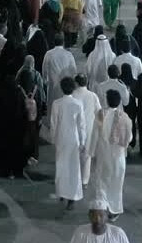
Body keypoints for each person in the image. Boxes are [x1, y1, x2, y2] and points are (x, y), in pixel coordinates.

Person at [60, 199, 141, 243]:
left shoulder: (118, 234)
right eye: (93, 216)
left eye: (101, 215)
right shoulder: (81, 233)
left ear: (107, 216)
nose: (97, 219)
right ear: (89, 216)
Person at [90, 89, 133, 219]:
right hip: (118, 156)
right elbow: (129, 138)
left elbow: (94, 135)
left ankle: (102, 208)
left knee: (102, 182)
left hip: (104, 154)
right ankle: (114, 210)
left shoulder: (101, 114)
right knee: (116, 183)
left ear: (107, 101)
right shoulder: (125, 118)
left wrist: (91, 152)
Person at [51, 77, 87, 208]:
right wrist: (83, 141)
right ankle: (72, 196)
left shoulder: (57, 104)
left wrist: (53, 139)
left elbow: (54, 124)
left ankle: (61, 192)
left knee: (61, 166)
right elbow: (82, 125)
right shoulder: (78, 104)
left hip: (61, 138)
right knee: (74, 167)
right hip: (74, 139)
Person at [72, 74, 102, 184]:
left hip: (75, 128)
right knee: (87, 155)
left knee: (74, 154)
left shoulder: (73, 95)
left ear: (76, 83)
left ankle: (75, 177)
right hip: (89, 128)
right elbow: (99, 112)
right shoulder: (93, 95)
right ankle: (84, 180)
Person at [43, 33, 78, 104]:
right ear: (63, 42)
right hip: (66, 87)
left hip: (53, 85)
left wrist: (46, 81)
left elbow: (44, 70)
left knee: (53, 107)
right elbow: (74, 70)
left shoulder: (48, 54)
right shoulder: (69, 54)